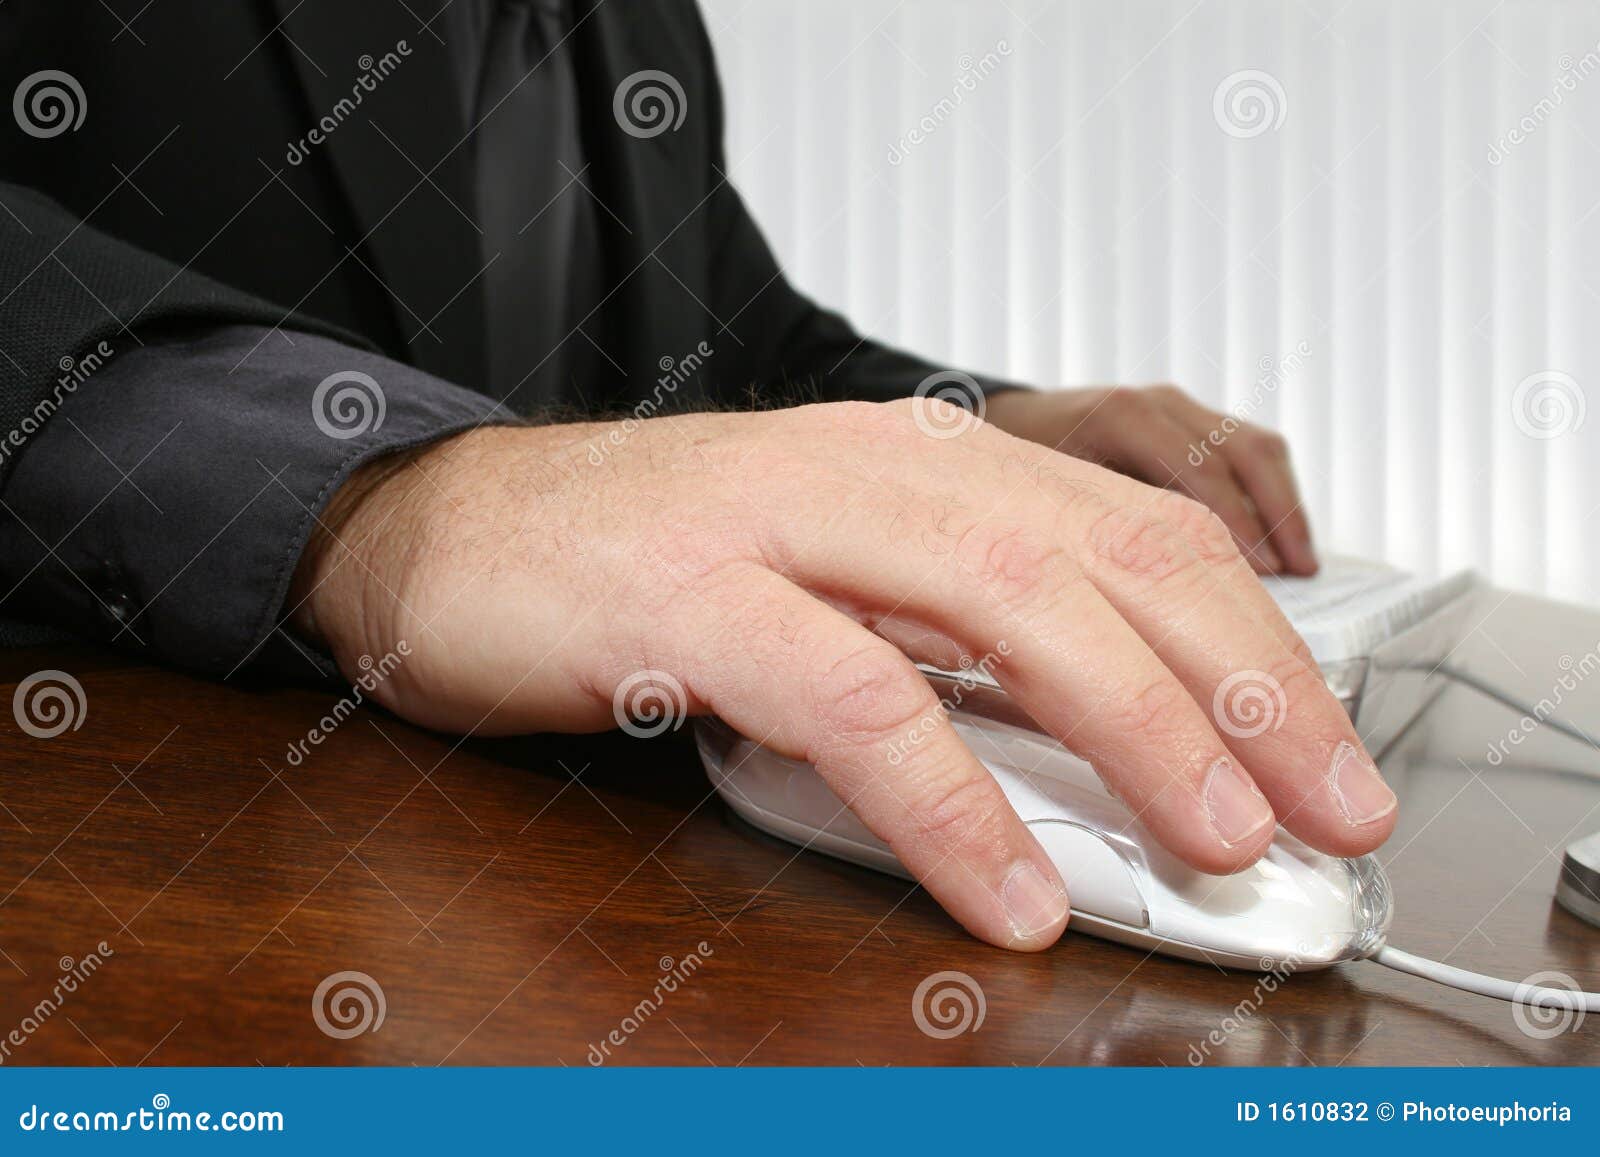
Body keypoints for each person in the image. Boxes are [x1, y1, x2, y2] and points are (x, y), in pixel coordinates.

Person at [0, 0, 1393, 952]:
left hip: (556, 880)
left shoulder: (641, 27)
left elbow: (731, 335)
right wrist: (396, 501)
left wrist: (1002, 416)